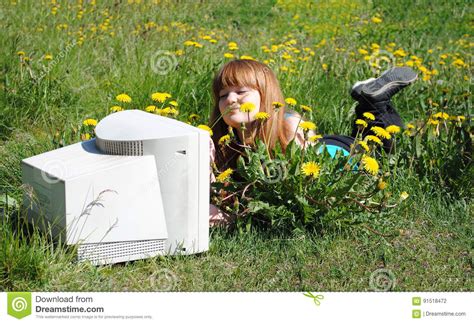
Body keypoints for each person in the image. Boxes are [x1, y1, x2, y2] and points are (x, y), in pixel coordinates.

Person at [208, 59, 417, 226]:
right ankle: (366, 96)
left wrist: (236, 216)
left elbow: (304, 189)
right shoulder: (227, 143)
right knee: (364, 134)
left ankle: (375, 101)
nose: (231, 99)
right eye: (223, 95)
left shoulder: (290, 127)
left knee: (381, 147)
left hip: (341, 157)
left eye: (241, 91)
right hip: (324, 146)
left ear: (266, 94)